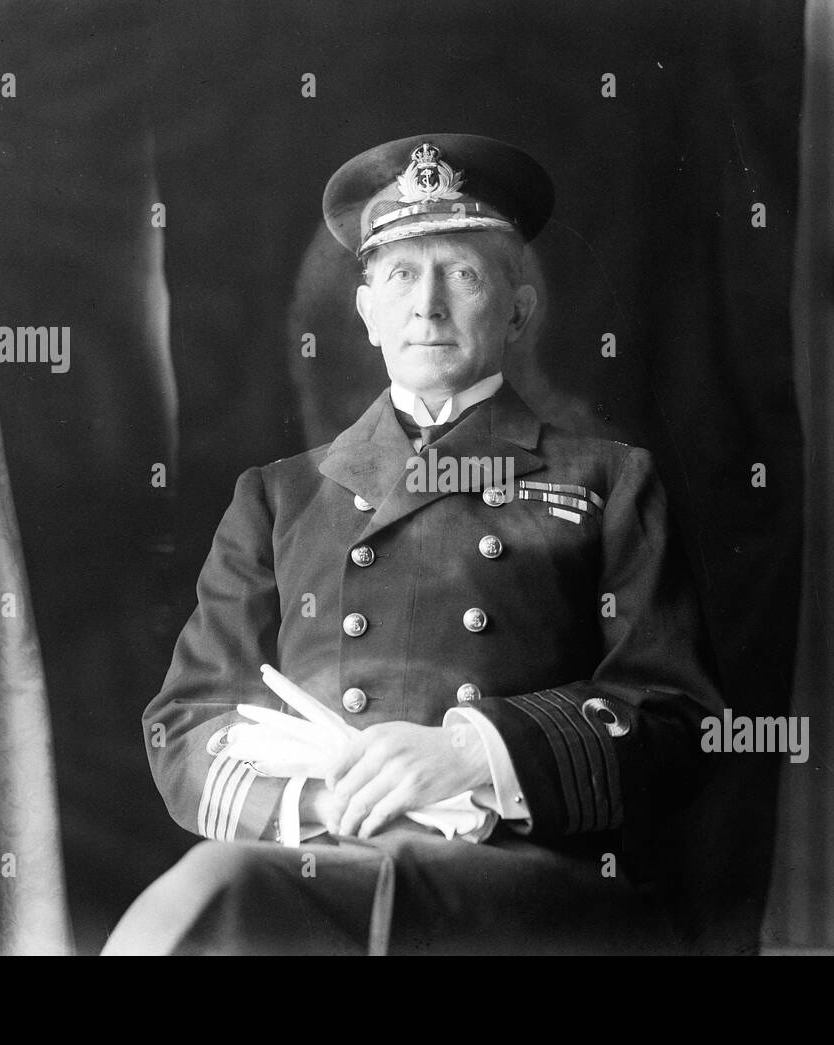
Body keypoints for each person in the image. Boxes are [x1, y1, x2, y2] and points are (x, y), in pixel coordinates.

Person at [105, 133, 725, 955]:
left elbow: (676, 720)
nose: (427, 305)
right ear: (366, 314)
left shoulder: (610, 479)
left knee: (232, 892)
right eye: (400, 274)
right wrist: (328, 800)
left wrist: (473, 752)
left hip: (528, 873)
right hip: (323, 853)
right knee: (225, 892)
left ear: (518, 307)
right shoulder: (281, 495)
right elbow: (187, 723)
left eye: (462, 274)